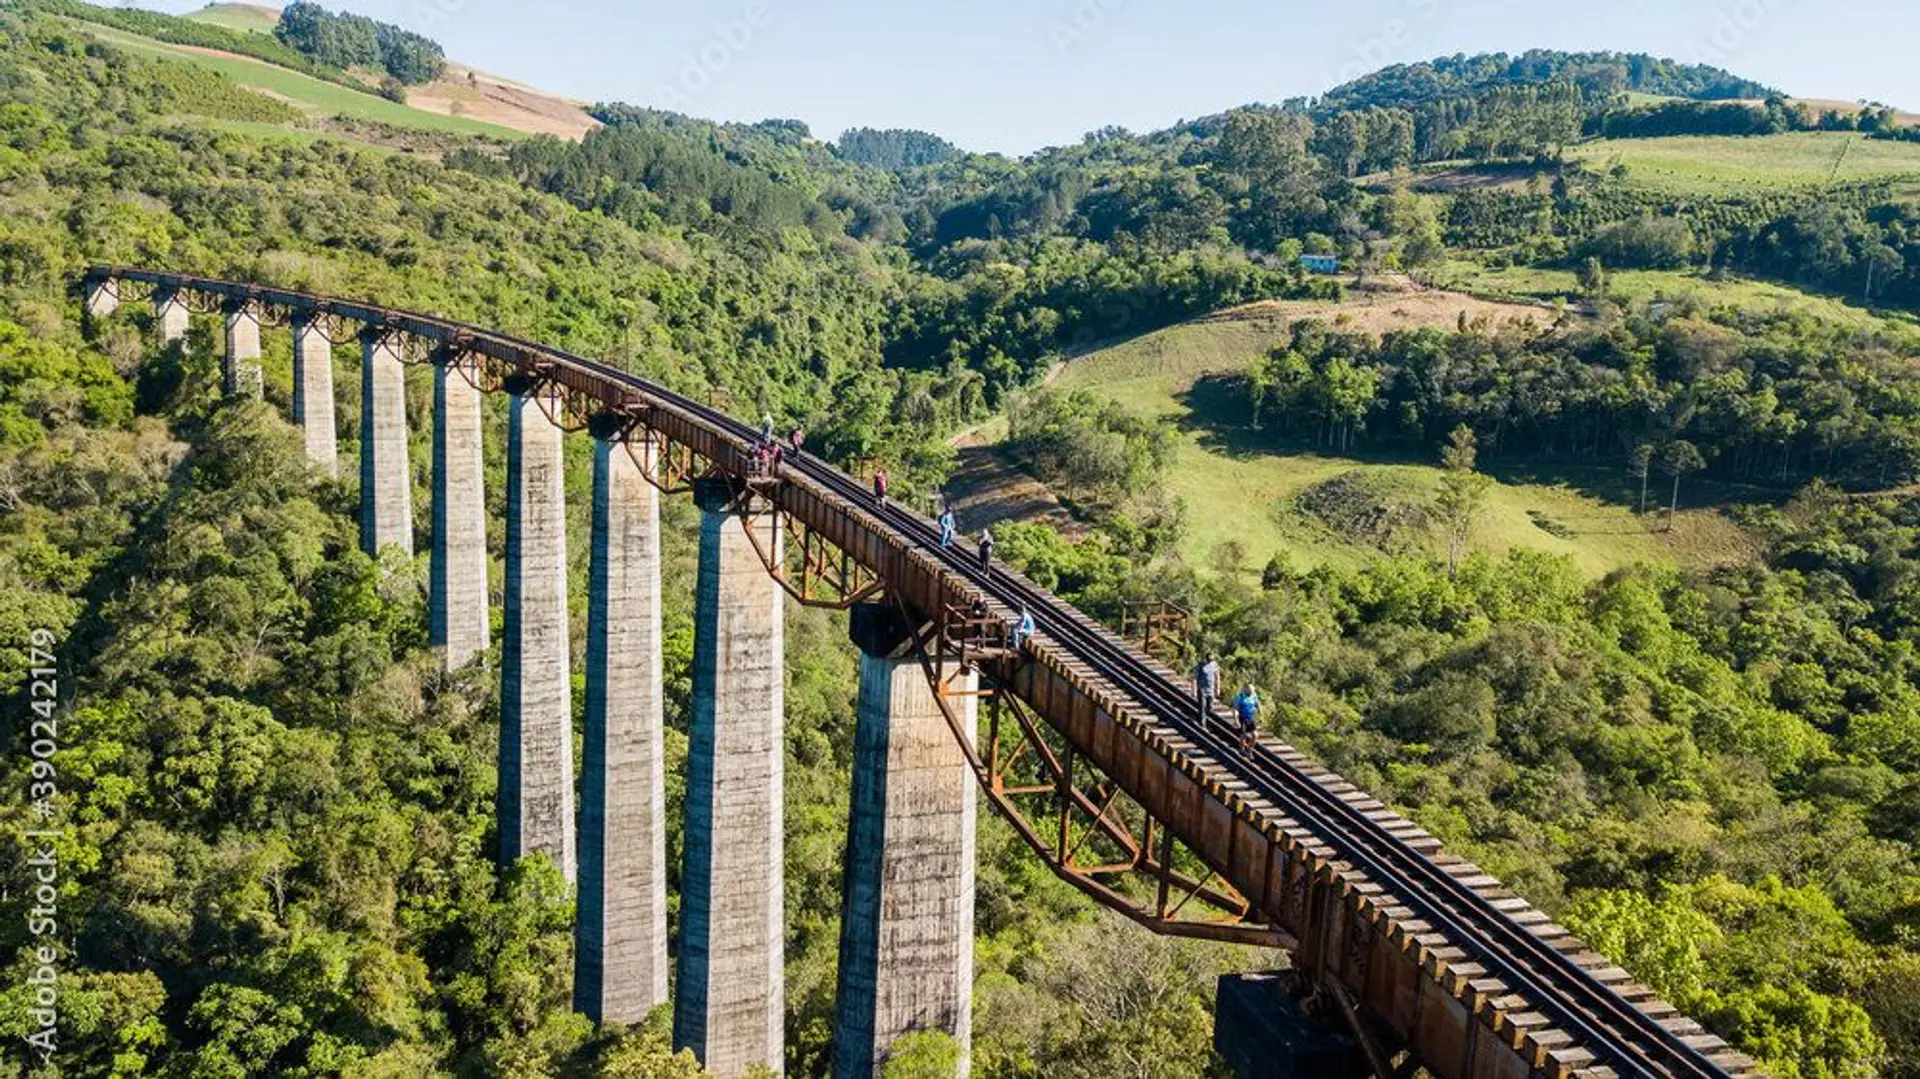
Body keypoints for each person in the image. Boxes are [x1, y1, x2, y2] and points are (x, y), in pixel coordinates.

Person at [1232, 683, 1261, 751]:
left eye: (1252, 690)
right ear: (1246, 690)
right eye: (1250, 690)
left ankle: (1249, 748)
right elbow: (1235, 709)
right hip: (1242, 717)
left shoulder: (1254, 696)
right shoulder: (1240, 696)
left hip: (1251, 717)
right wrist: (1236, 720)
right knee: (1243, 734)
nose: (1251, 692)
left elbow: (1257, 704)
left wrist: (1260, 715)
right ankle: (1242, 750)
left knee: (1255, 735)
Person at [1194, 654, 1222, 721]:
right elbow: (1194, 677)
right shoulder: (1200, 665)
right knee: (1202, 706)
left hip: (1211, 689)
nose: (1210, 661)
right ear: (1206, 659)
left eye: (1211, 660)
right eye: (1209, 660)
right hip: (1202, 688)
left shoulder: (1214, 665)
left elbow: (1217, 676)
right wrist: (1194, 689)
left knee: (1210, 706)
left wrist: (1217, 689)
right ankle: (1202, 722)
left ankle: (1207, 719)